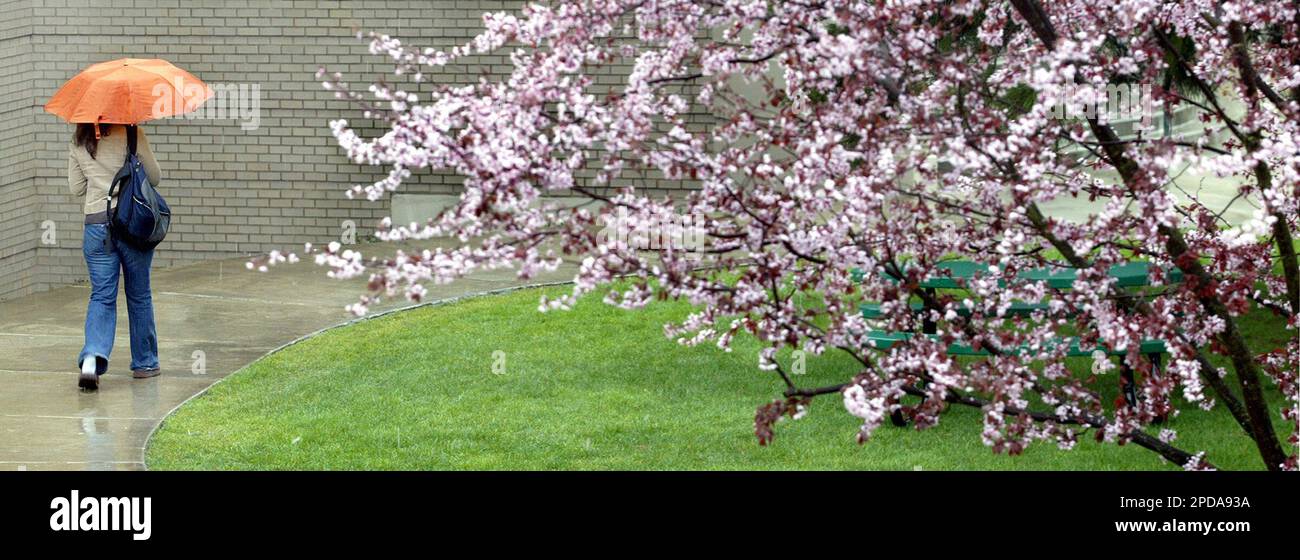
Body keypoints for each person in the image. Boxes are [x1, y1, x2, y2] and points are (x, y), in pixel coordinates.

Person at [68, 123, 162, 391]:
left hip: (97, 227)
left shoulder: (78, 139)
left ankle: (91, 360)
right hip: (132, 225)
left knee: (101, 295)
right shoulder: (133, 133)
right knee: (139, 294)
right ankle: (145, 364)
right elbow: (154, 177)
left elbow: (75, 188)